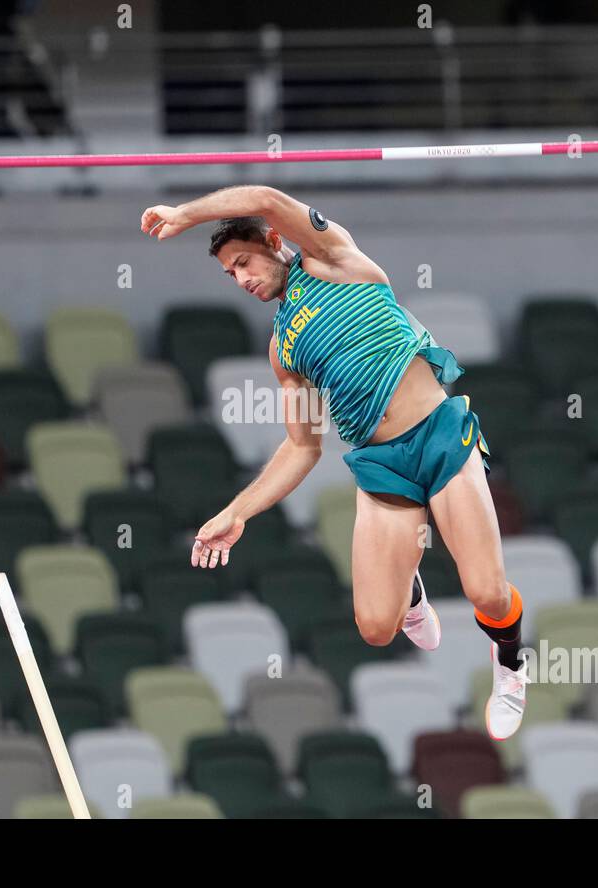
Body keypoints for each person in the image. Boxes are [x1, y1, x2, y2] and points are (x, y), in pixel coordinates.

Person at [140, 185, 528, 739]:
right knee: (375, 628)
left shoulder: (332, 258)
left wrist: (184, 213)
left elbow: (264, 196)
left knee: (486, 592)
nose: (243, 279)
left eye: (244, 262)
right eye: (231, 275)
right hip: (381, 464)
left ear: (275, 242)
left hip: (439, 436)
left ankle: (511, 665)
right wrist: (238, 511)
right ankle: (409, 588)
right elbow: (302, 446)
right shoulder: (283, 350)